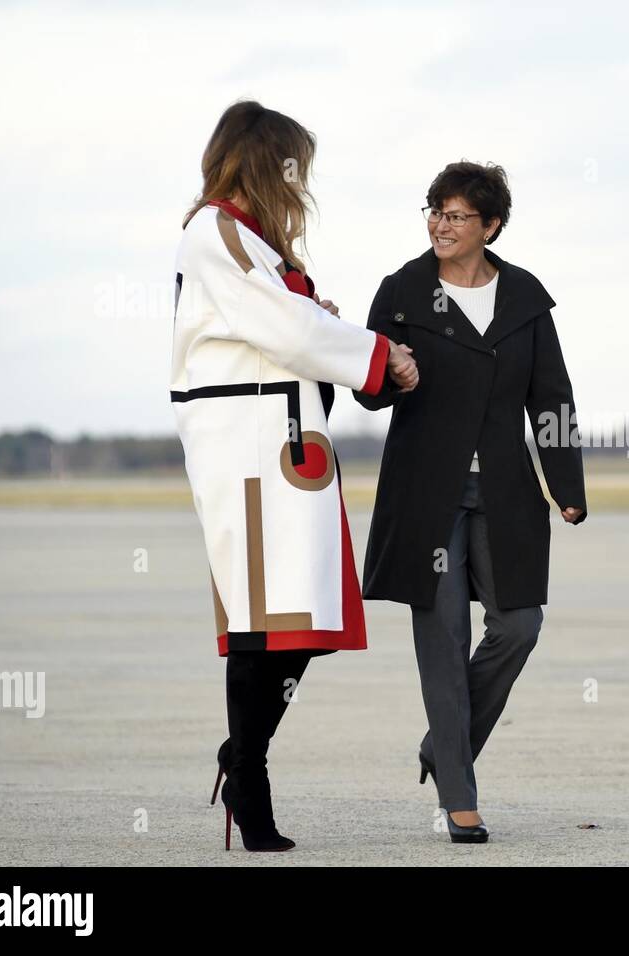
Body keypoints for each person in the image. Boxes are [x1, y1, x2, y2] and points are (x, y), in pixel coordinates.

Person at [170, 100, 418, 851]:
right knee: (264, 623)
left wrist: (332, 329)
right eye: (291, 164)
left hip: (282, 443)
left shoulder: (251, 243)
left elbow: (290, 323)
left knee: (300, 619)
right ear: (264, 161)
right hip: (250, 448)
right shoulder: (216, 231)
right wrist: (380, 355)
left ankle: (241, 761)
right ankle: (249, 776)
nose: (298, 181)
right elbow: (286, 330)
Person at [353, 161, 586, 844]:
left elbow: (552, 400)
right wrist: (387, 371)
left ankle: (443, 747)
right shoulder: (402, 291)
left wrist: (565, 487)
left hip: (506, 490)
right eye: (434, 211)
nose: (440, 224)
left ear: (491, 225)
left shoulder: (524, 299)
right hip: (428, 492)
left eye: (455, 215)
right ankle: (460, 797)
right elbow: (367, 389)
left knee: (519, 625)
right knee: (444, 639)